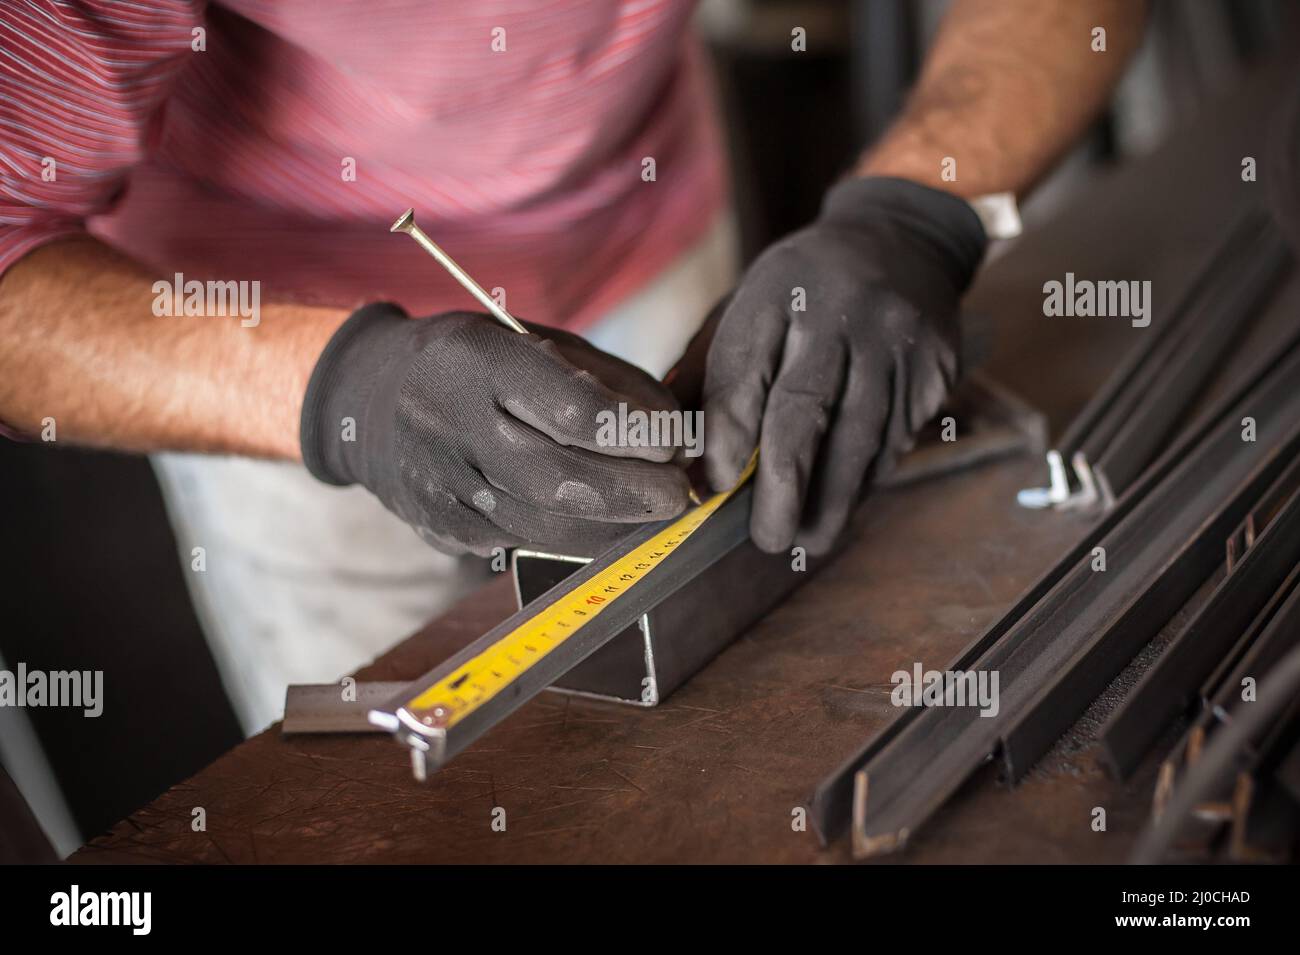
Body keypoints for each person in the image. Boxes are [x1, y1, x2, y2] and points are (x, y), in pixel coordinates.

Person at [0, 0, 1146, 731]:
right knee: (385, 788)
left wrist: (915, 207)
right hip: (270, 343)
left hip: (647, 202)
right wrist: (342, 395)